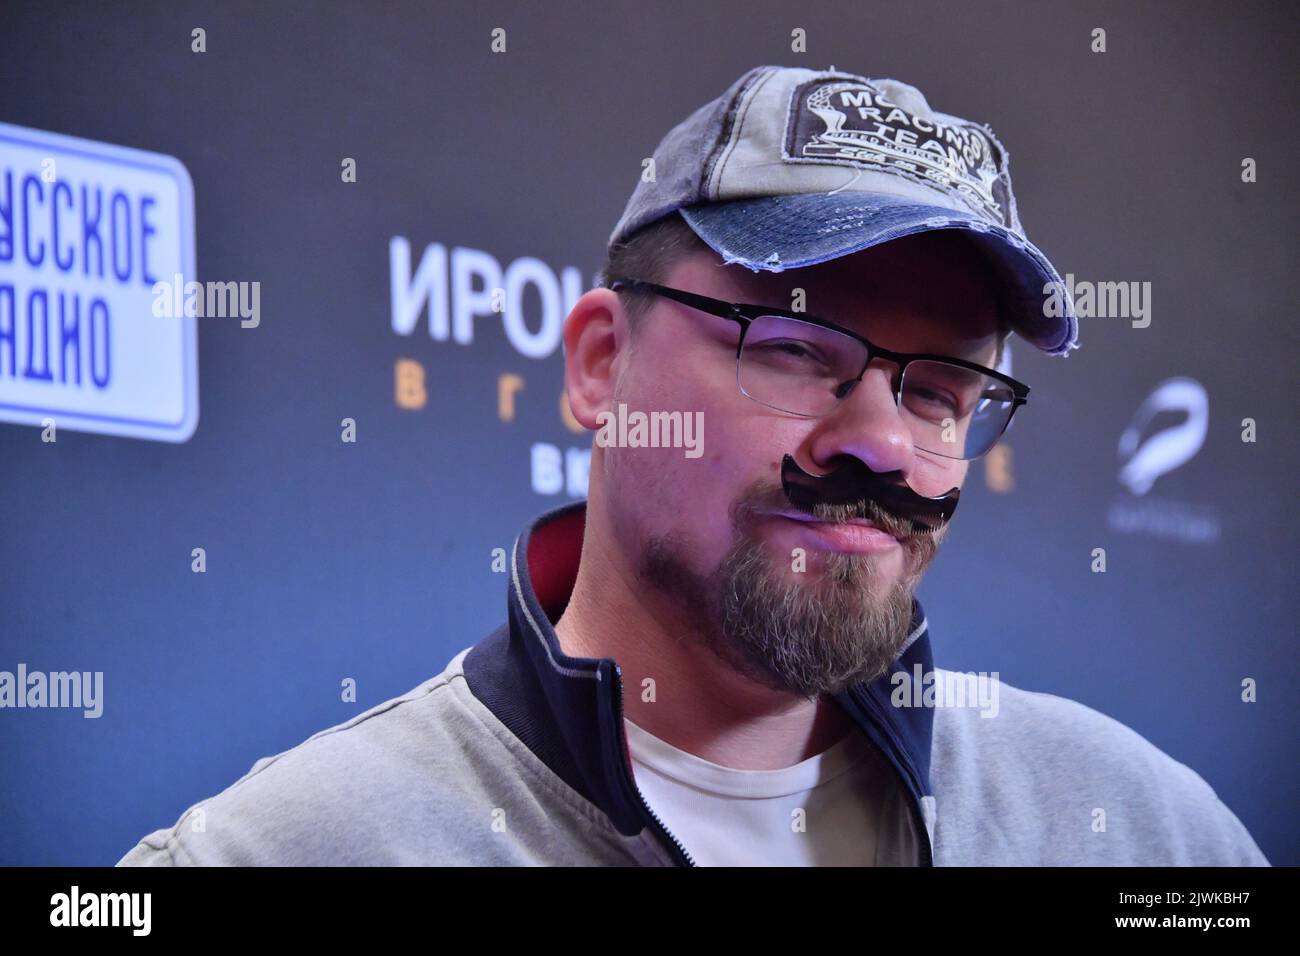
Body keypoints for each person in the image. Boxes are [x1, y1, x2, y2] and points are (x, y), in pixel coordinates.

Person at [118, 65, 1268, 866]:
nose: (876, 442)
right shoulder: (288, 851)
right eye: (795, 348)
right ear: (600, 366)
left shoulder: (1143, 825)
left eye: (937, 392)